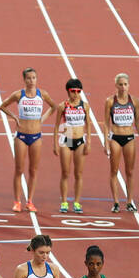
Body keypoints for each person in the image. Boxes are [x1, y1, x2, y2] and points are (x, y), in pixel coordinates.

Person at [0, 67, 57, 212]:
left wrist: (42, 118)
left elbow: (54, 106)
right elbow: (2, 106)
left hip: (36, 136)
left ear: (37, 79)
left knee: (33, 170)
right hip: (21, 136)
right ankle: (17, 201)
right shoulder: (19, 95)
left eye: (34, 78)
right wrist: (14, 117)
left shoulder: (42, 94)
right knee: (19, 169)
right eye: (29, 78)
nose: (31, 81)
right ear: (24, 79)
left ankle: (30, 201)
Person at [103, 73, 139, 213]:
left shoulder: (134, 101)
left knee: (129, 171)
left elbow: (138, 121)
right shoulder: (110, 101)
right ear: (116, 85)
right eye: (120, 84)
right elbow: (106, 123)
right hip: (115, 138)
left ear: (129, 85)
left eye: (125, 84)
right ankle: (116, 202)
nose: (123, 87)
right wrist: (106, 141)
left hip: (129, 137)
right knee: (114, 170)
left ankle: (130, 201)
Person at [53, 77, 89, 214]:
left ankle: (77, 202)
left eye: (78, 91)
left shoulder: (85, 106)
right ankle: (64, 201)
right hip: (67, 138)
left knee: (78, 173)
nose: (76, 93)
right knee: (65, 172)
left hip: (80, 140)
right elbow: (56, 126)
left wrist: (89, 142)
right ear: (68, 91)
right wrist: (55, 143)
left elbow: (89, 125)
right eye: (73, 91)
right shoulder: (63, 106)